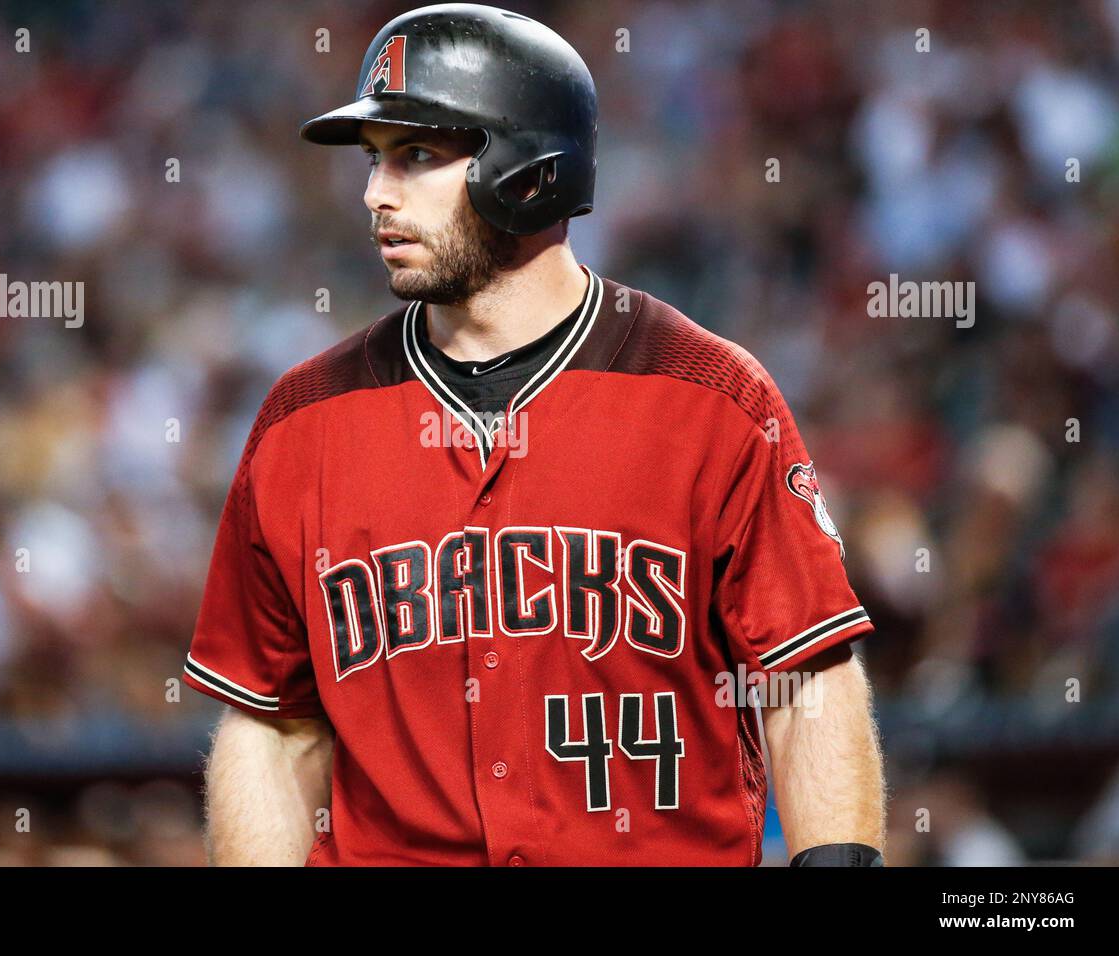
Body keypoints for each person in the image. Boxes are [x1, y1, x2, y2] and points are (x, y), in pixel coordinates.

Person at [183, 3, 885, 866]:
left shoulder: (708, 397)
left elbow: (804, 678)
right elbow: (273, 726)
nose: (376, 194)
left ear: (528, 169)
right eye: (375, 160)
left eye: (417, 155)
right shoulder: (303, 421)